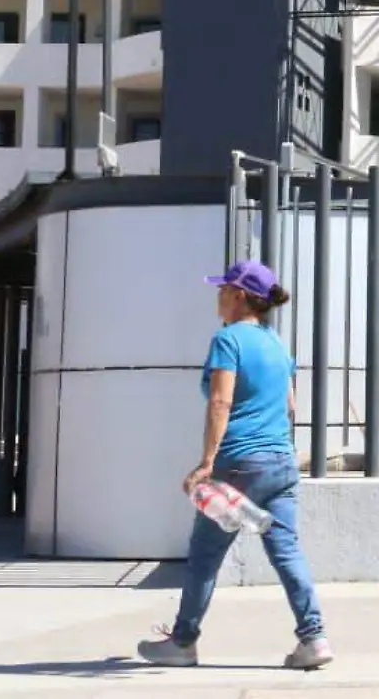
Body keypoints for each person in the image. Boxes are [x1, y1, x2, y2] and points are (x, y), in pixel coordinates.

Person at [136, 259, 332, 671]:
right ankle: (313, 638)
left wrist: (207, 462)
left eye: (222, 288)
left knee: (205, 554)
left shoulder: (229, 340)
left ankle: (183, 642)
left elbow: (220, 402)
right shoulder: (277, 344)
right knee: (286, 551)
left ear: (239, 296)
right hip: (281, 460)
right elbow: (290, 404)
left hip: (239, 462)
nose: (217, 295)